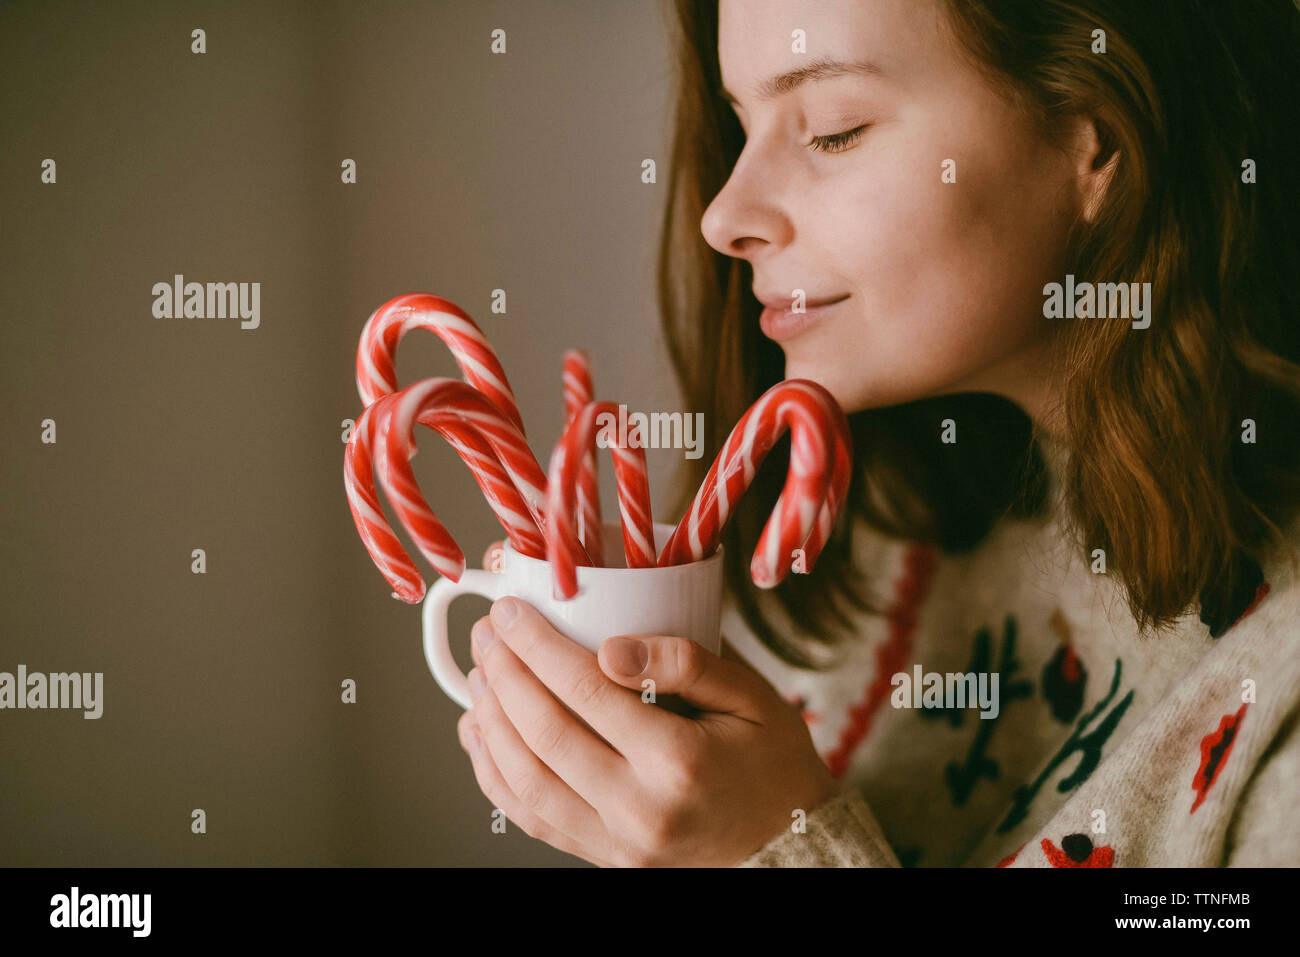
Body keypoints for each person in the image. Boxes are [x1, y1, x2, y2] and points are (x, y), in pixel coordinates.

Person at [455, 0, 1300, 867]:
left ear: (1098, 142)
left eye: (832, 129)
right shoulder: (879, 531)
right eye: (740, 124)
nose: (723, 216)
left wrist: (777, 851)